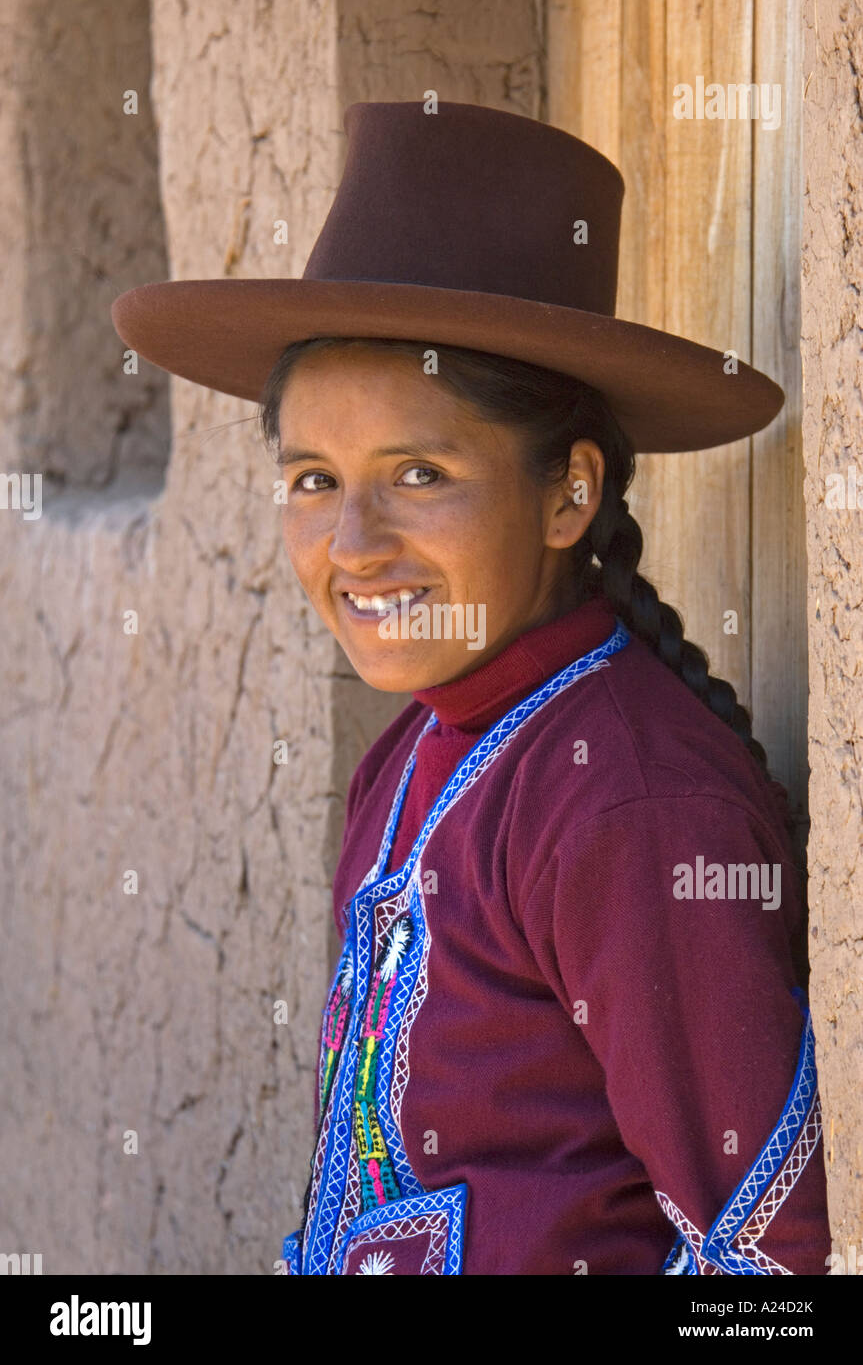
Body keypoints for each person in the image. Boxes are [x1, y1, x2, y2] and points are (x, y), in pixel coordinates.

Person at [111, 99, 831, 1275]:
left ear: (567, 496)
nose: (351, 542)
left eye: (419, 473)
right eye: (310, 477)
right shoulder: (403, 766)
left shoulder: (625, 807)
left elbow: (771, 1259)